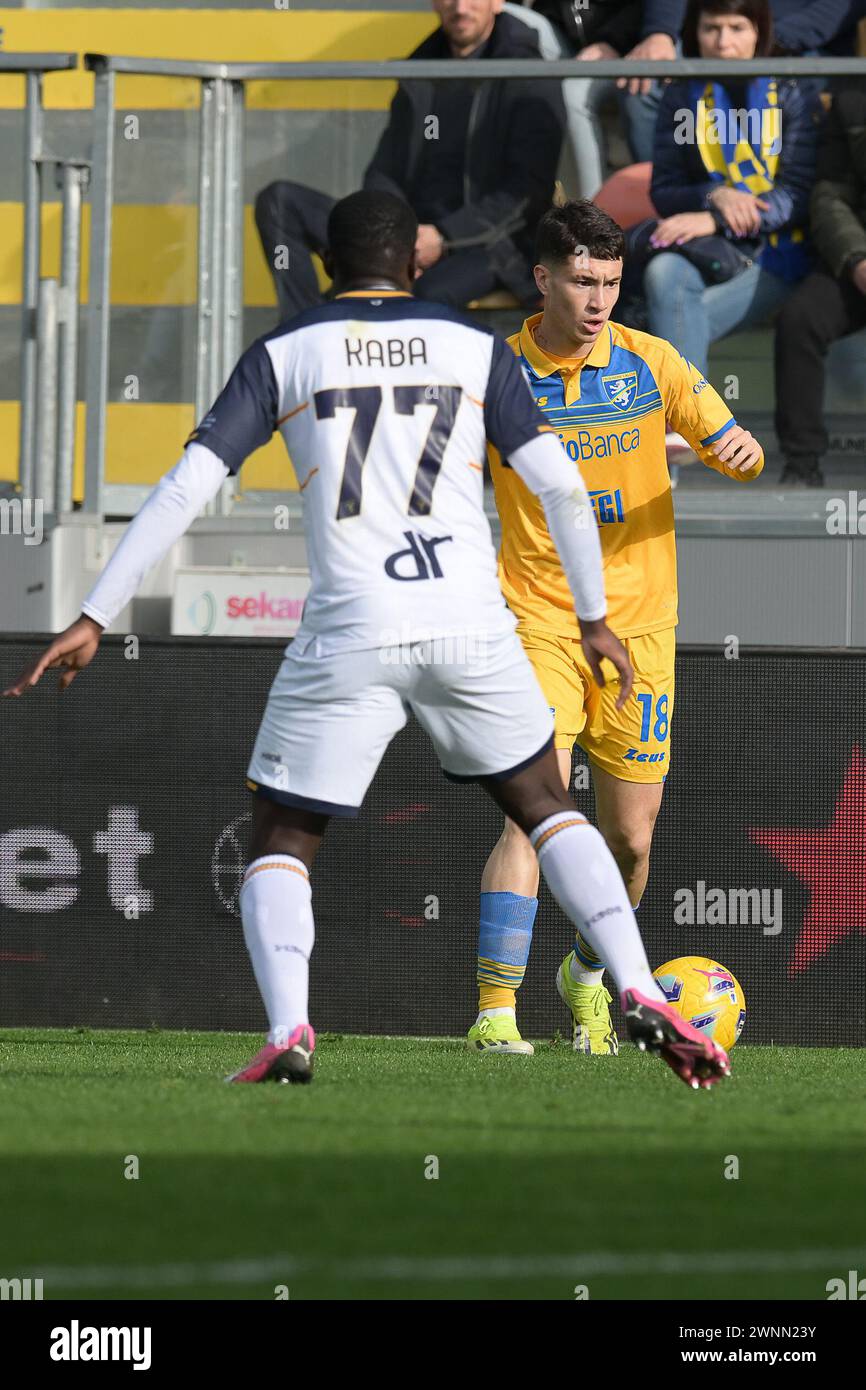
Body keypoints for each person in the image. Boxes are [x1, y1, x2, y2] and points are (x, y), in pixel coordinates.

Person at [3, 191, 730, 1093]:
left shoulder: (288, 350)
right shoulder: (474, 346)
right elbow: (564, 491)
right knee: (547, 805)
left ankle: (289, 1027)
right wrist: (592, 618)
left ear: (324, 267)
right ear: (418, 263)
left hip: (352, 624)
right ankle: (634, 985)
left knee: (282, 830)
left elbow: (188, 487)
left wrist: (93, 615)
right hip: (472, 620)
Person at [467, 199, 763, 1058]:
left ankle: (587, 973)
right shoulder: (500, 374)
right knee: (533, 813)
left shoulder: (651, 362)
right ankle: (494, 1015)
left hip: (640, 632)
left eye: (611, 282)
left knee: (630, 841)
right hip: (540, 621)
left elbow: (723, 434)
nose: (599, 299)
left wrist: (737, 451)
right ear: (544, 280)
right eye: (584, 282)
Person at [255, 0, 564, 319]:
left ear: (497, 3)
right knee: (281, 201)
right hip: (406, 235)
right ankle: (306, 331)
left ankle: (341, 326)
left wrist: (444, 236)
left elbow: (526, 192)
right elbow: (385, 171)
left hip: (491, 245)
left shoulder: (529, 73)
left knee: (419, 298)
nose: (460, 7)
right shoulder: (420, 67)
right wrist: (394, 233)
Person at [637, 0, 820, 381]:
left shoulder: (793, 89)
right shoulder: (680, 94)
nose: (723, 42)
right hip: (714, 250)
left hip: (779, 250)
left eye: (737, 28)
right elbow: (665, 189)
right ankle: (697, 429)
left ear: (759, 32)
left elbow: (799, 196)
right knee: (663, 271)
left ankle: (686, 429)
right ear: (695, 33)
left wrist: (714, 217)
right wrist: (714, 195)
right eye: (711, 28)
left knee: (672, 324)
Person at [774, 78, 866, 486]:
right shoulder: (852, 100)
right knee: (800, 320)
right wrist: (857, 259)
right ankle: (802, 464)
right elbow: (830, 196)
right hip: (858, 259)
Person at [511, 0, 686, 198]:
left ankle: (593, 209)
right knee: (506, 15)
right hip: (573, 42)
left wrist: (623, 39)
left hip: (637, 40)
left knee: (578, 94)